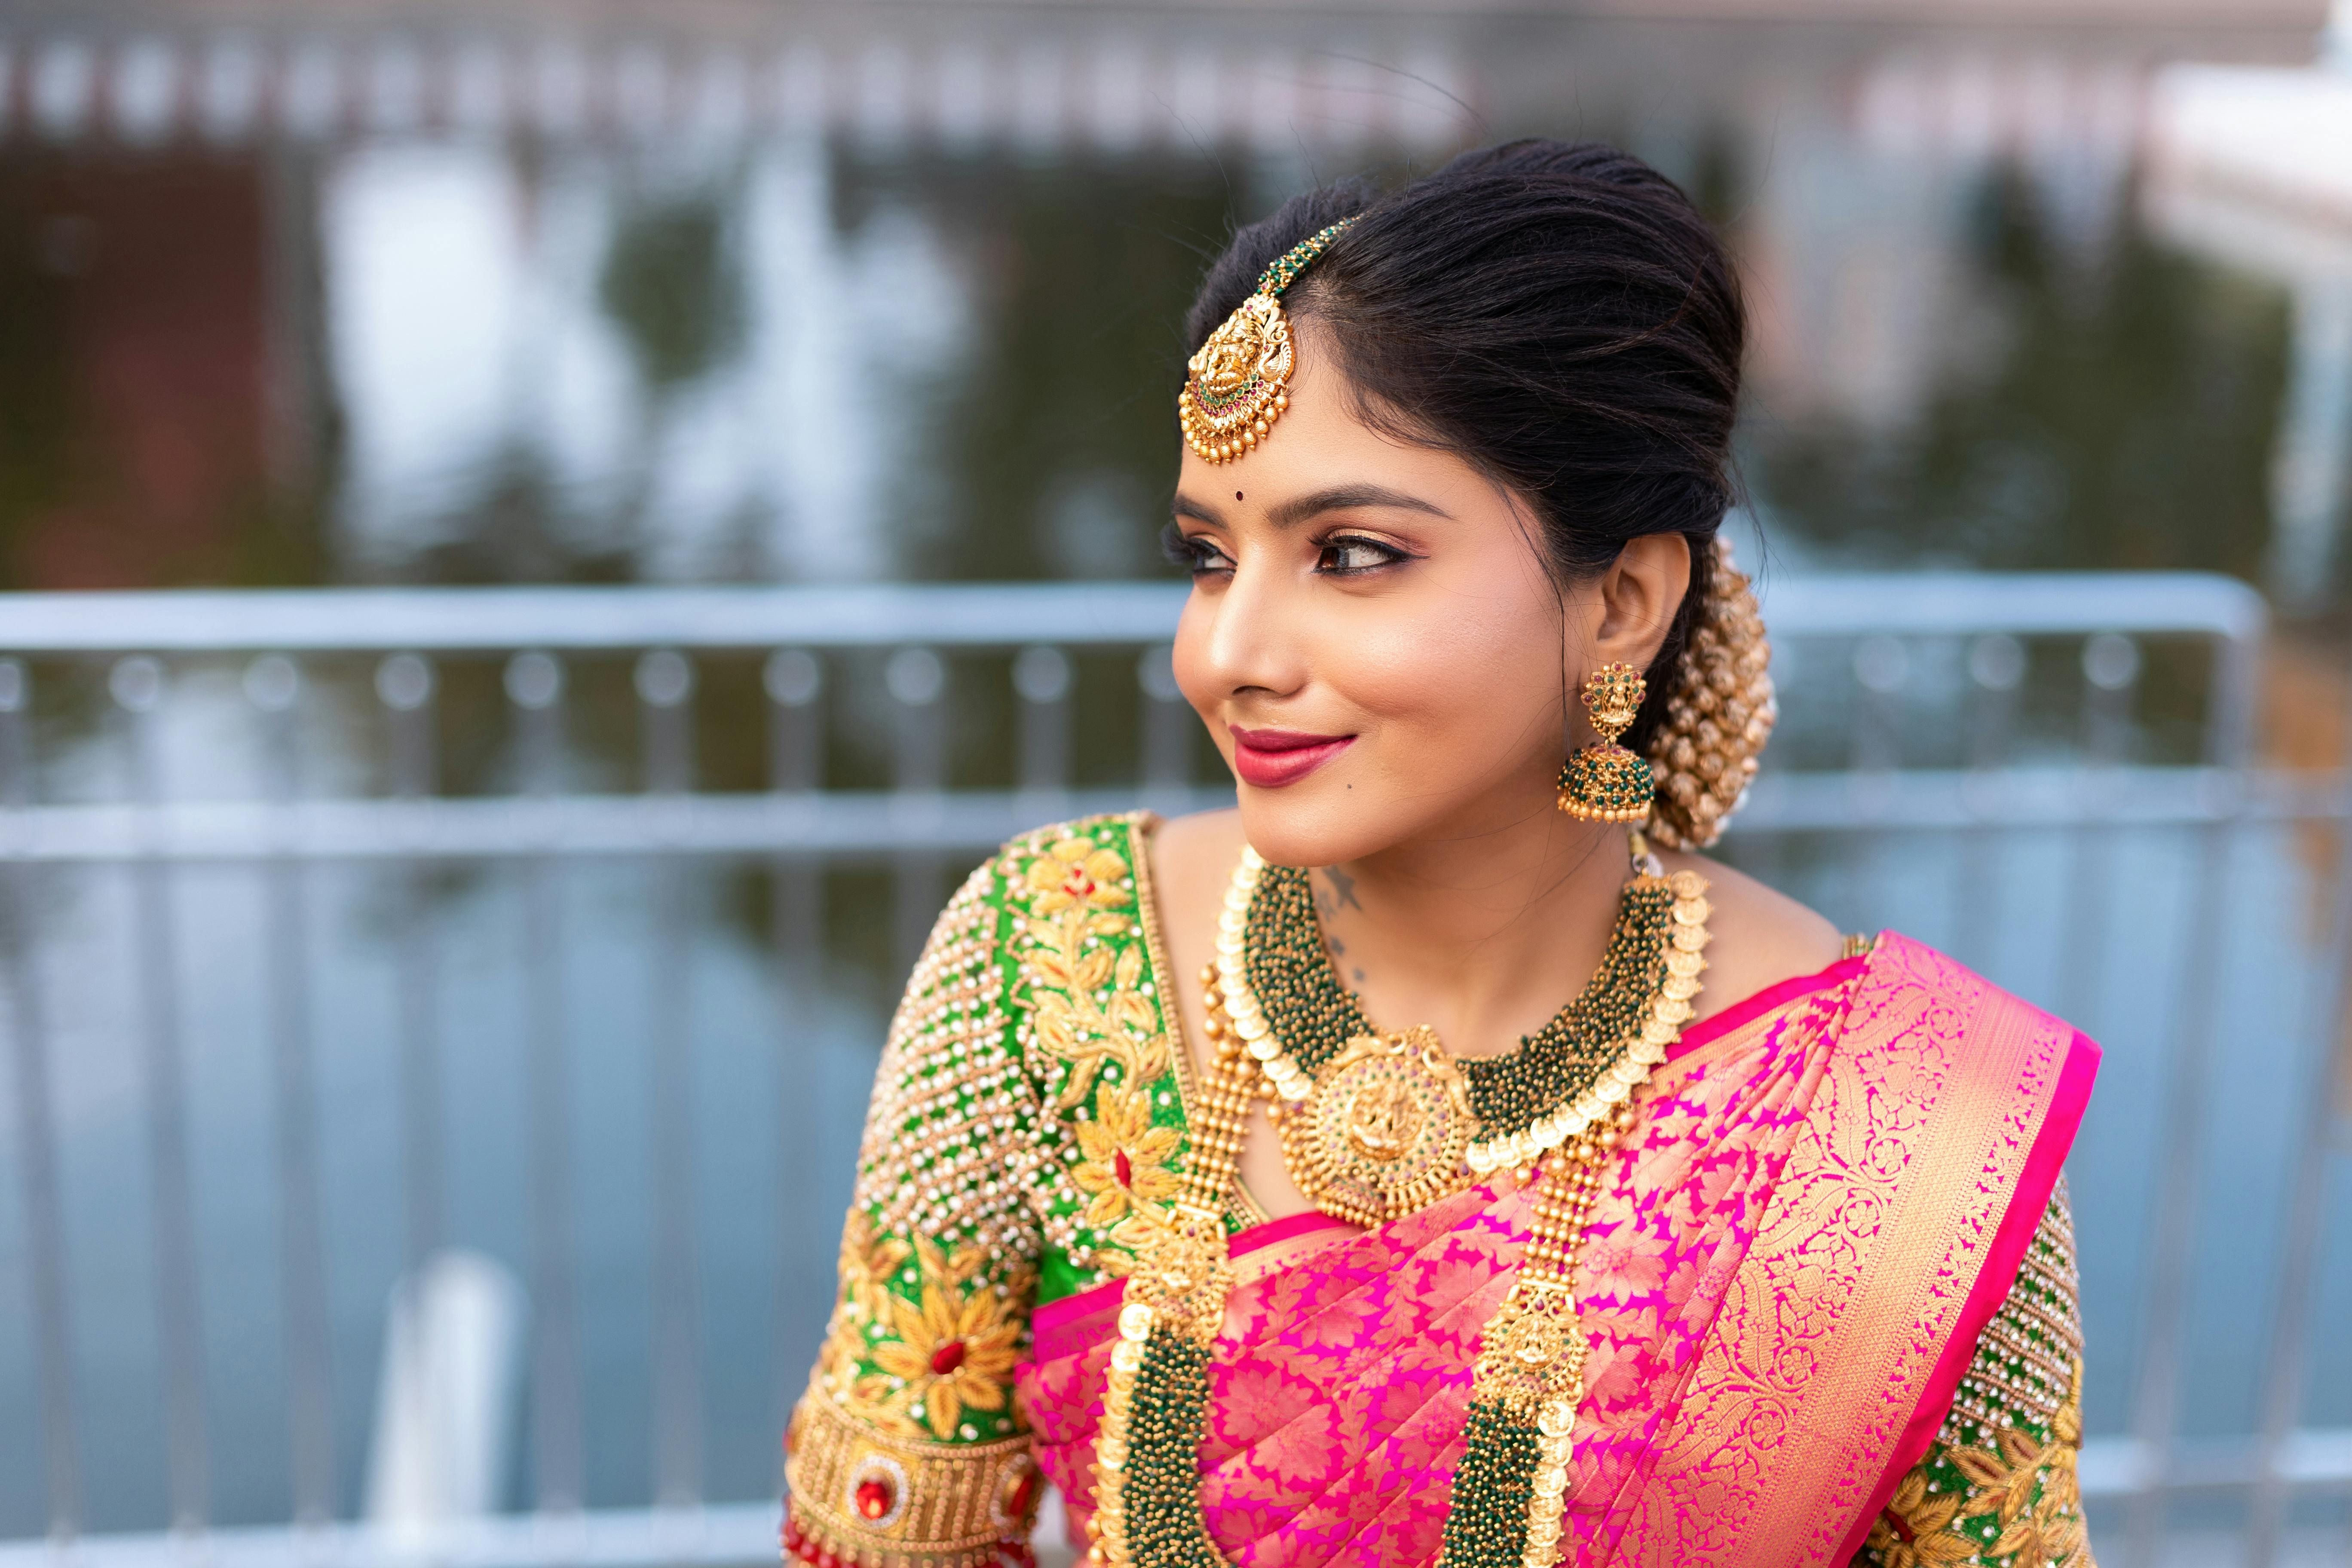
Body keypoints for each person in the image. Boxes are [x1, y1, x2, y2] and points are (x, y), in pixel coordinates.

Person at [779, 140, 2099, 1568]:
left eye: (1350, 553)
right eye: (1209, 557)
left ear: (1625, 602)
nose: (1228, 655)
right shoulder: (1047, 965)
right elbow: (879, 1539)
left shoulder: (1902, 1127)